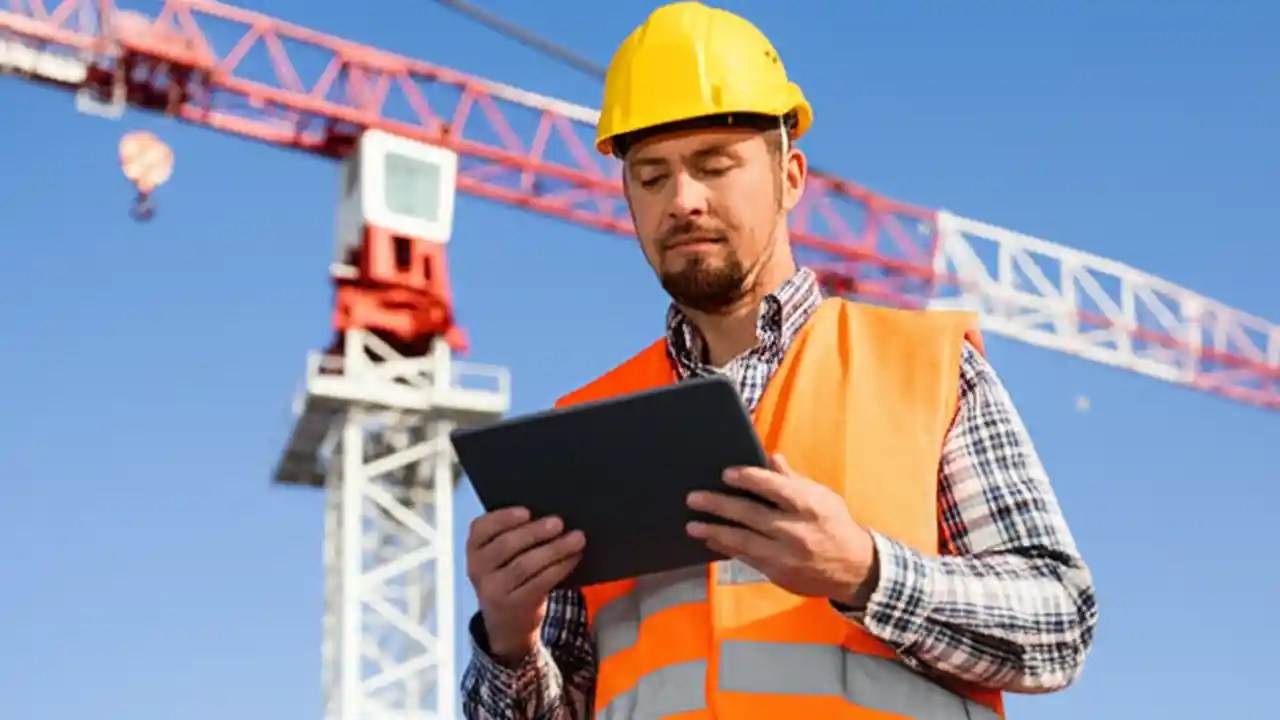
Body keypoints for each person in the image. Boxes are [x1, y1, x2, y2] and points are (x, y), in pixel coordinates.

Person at [460, 2, 1099, 718]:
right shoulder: (587, 427)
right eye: (651, 177)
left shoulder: (926, 368)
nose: (683, 201)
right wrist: (509, 643)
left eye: (714, 165)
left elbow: (1060, 626)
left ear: (791, 177)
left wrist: (864, 571)